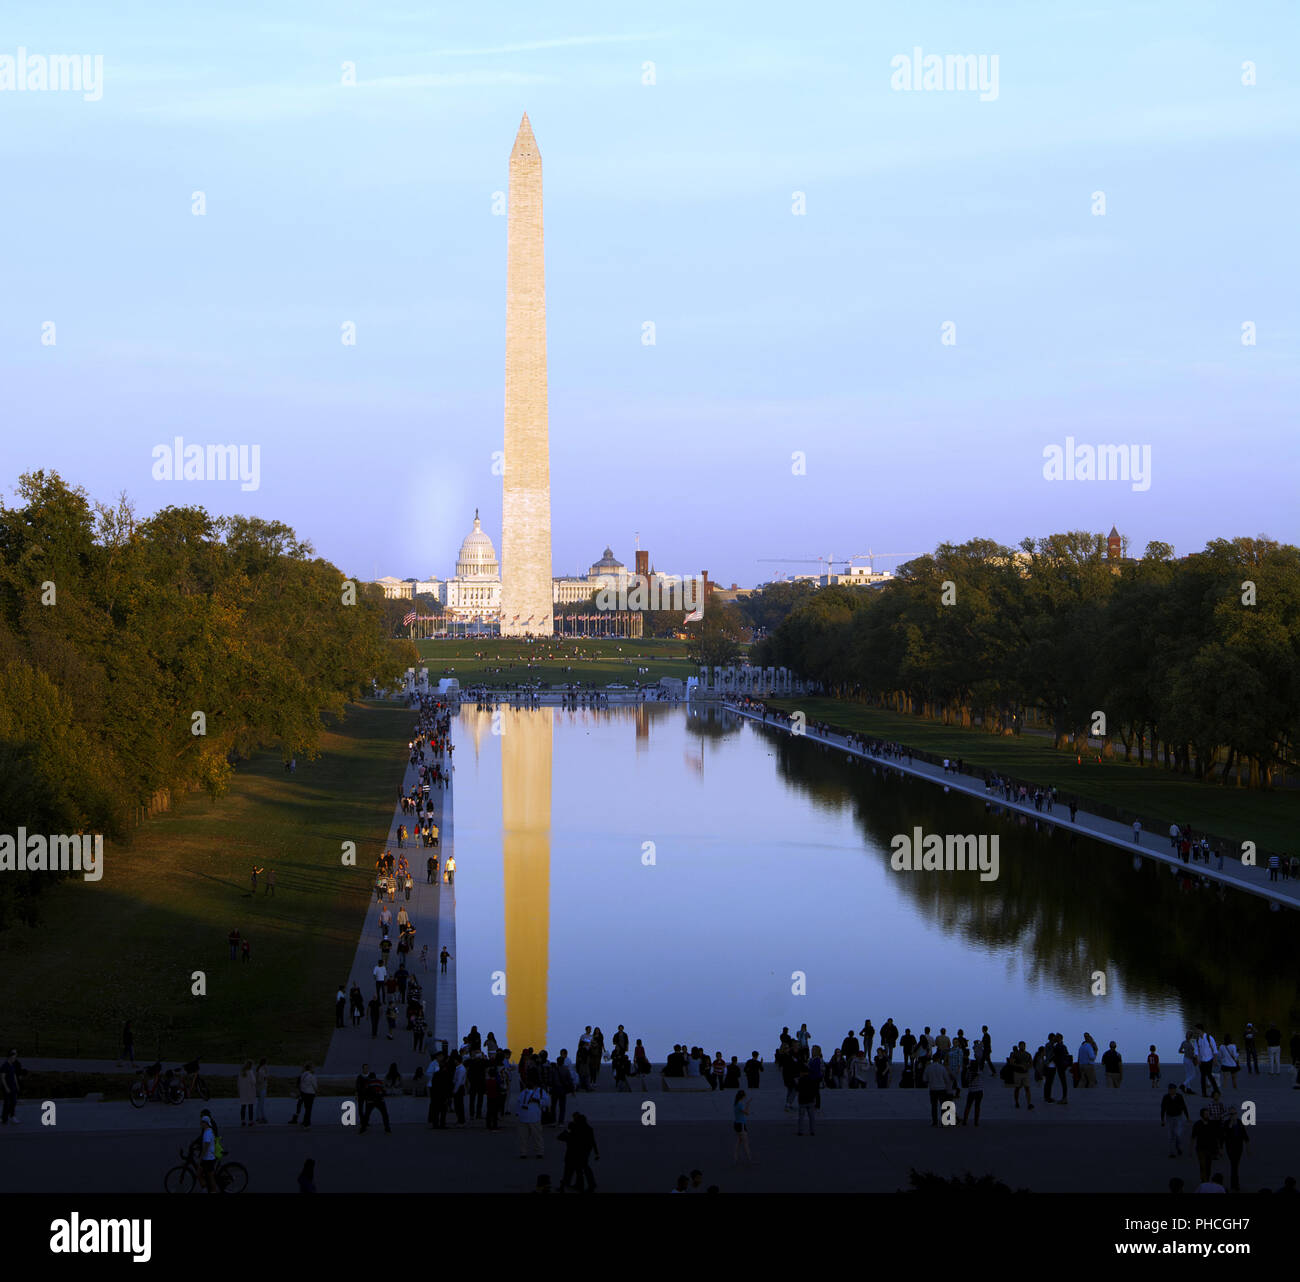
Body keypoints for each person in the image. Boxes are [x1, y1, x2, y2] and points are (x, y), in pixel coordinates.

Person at [558, 1112, 599, 1192]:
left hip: (572, 1153)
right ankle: (586, 1185)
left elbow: (561, 1137)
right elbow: (592, 1141)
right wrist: (596, 1153)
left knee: (569, 1170)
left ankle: (567, 1185)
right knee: (581, 1169)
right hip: (583, 1153)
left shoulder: (573, 1128)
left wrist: (567, 1131)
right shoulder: (588, 1129)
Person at [517, 1076, 549, 1158]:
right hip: (523, 1118)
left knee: (537, 1136)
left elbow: (547, 1102)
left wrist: (537, 1100)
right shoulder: (523, 1092)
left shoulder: (540, 1092)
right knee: (523, 1137)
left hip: (534, 1117)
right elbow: (518, 1103)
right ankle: (523, 1152)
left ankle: (539, 1152)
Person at [1191, 1107, 1221, 1183]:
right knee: (1203, 1165)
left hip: (1210, 1149)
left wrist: (1218, 1149)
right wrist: (1190, 1149)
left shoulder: (1212, 1124)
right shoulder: (1197, 1124)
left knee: (1208, 1166)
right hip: (1200, 1149)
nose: (1207, 1115)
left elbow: (1216, 1137)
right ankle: (1204, 1181)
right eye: (1205, 1114)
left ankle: (1206, 1180)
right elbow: (1193, 1137)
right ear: (1202, 1115)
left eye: (1208, 1114)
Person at [1222, 1109, 1249, 1191]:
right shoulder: (1226, 1123)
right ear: (1229, 1115)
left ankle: (1234, 1184)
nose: (1233, 1115)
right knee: (1234, 1165)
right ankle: (1235, 1184)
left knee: (1235, 1165)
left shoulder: (1239, 1122)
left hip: (1239, 1147)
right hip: (1230, 1147)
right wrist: (1230, 1124)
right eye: (1231, 1114)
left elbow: (1245, 1135)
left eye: (1234, 1113)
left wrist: (1248, 1148)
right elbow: (1224, 1134)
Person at [360, 1069, 391, 1134]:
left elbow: (365, 1092)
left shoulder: (368, 1082)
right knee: (384, 1114)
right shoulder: (380, 1082)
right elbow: (384, 1091)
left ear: (369, 1077)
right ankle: (387, 1128)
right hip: (380, 1101)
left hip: (370, 1101)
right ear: (375, 1076)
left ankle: (363, 1129)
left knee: (367, 1115)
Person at [1161, 1083, 1188, 1156]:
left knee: (1178, 1134)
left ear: (1175, 1090)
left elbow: (1184, 1106)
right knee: (1171, 1135)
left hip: (1178, 1116)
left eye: (1173, 1089)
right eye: (1170, 1089)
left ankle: (1178, 1146)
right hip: (1169, 1117)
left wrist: (1187, 1117)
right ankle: (1171, 1152)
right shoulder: (1166, 1097)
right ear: (1168, 1090)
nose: (1172, 1091)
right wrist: (1162, 1119)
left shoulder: (1179, 1096)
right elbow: (1163, 1108)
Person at [1, 1050, 22, 1125]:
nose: (14, 1059)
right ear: (10, 1057)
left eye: (15, 1058)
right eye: (14, 1057)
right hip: (7, 1087)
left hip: (13, 1087)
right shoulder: (5, 1065)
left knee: (13, 1102)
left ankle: (12, 1116)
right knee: (7, 1103)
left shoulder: (12, 1065)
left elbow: (14, 1076)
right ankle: (4, 1118)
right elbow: (2, 1078)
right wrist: (6, 1087)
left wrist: (17, 1085)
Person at [733, 1089, 753, 1162]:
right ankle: (750, 1159)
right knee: (745, 1143)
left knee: (739, 1141)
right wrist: (748, 1104)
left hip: (736, 1124)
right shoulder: (740, 1104)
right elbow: (747, 1113)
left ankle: (735, 1157)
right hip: (741, 1125)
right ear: (743, 1096)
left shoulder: (736, 1103)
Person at [296, 1063, 318, 1129]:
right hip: (310, 1094)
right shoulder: (312, 1076)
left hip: (304, 1093)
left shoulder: (303, 1075)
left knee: (306, 1108)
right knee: (309, 1109)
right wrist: (316, 1092)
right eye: (313, 1068)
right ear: (310, 1068)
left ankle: (305, 1122)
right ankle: (307, 1124)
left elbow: (300, 1084)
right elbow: (315, 1086)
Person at [237, 1060, 256, 1127]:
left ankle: (243, 1121)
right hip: (250, 1092)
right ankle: (250, 1121)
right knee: (250, 1107)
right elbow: (253, 1082)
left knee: (243, 1106)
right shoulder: (250, 1072)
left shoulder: (241, 1072)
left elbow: (238, 1083)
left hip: (243, 1092)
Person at [255, 1058, 269, 1124]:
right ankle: (260, 1117)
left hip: (260, 1088)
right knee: (261, 1104)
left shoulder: (260, 1069)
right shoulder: (261, 1070)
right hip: (261, 1088)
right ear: (264, 1063)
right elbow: (260, 1080)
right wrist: (265, 1077)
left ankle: (261, 1116)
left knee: (260, 1103)